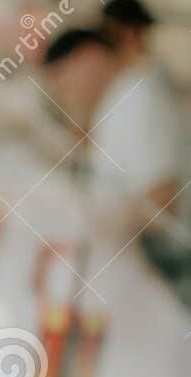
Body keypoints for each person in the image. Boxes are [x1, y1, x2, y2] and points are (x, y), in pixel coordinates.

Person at [41, 26, 186, 254]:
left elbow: (163, 202)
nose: (62, 92)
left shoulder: (138, 101)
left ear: (90, 56)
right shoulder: (113, 102)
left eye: (63, 78)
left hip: (169, 265)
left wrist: (101, 224)